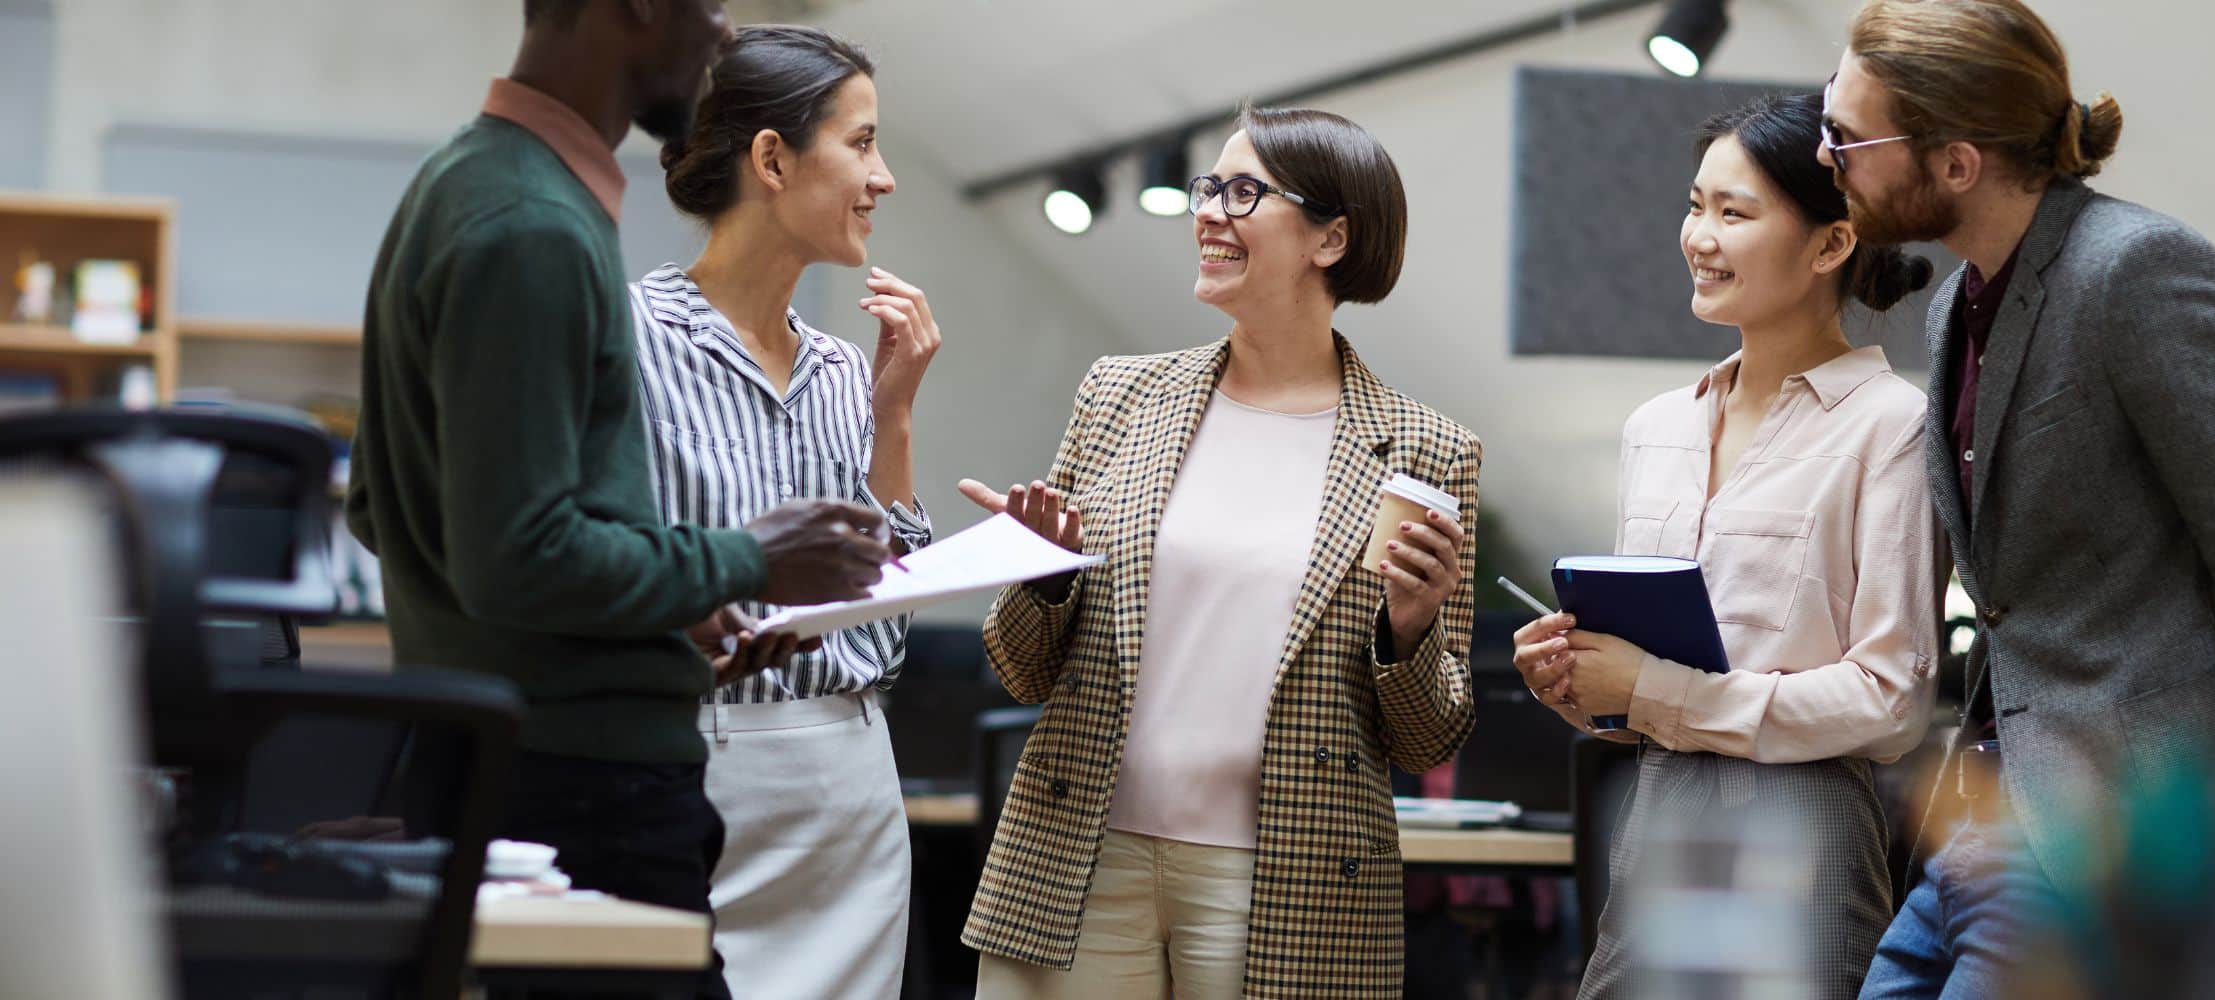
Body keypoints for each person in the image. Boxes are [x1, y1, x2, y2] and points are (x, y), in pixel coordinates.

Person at [345, 4, 891, 996]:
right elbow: (521, 551)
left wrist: (667, 604)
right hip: (582, 788)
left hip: (539, 769)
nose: (722, 35)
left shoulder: (473, 184)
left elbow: (382, 509)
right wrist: (745, 558)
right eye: (709, 6)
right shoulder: (533, 223)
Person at [953, 105, 1480, 999]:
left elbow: (1428, 735)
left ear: (1331, 238)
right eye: (1209, 186)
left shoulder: (1427, 449)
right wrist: (1039, 573)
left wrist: (1410, 631)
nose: (1208, 211)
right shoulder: (1121, 396)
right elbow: (1019, 669)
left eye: (1245, 192)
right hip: (1078, 856)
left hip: (1289, 881)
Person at [1816, 1, 2215, 994]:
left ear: (1956, 162)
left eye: (1848, 137)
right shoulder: (1953, 307)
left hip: (2125, 830)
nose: (1827, 157)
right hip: (1988, 809)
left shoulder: (2141, 273)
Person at [1514, 91, 1938, 998]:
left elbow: (1893, 701)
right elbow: (1645, 684)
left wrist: (1652, 689)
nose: (1698, 236)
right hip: (1655, 814)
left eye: (1733, 213)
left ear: (1831, 244)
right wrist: (1578, 679)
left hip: (1807, 827)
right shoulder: (1655, 427)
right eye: (1695, 205)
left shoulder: (1893, 425)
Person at [630, 25, 941, 999]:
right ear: (772, 158)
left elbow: (882, 637)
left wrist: (893, 418)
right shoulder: (628, 341)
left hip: (851, 792)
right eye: (861, 142)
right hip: (694, 775)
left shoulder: (847, 368)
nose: (883, 176)